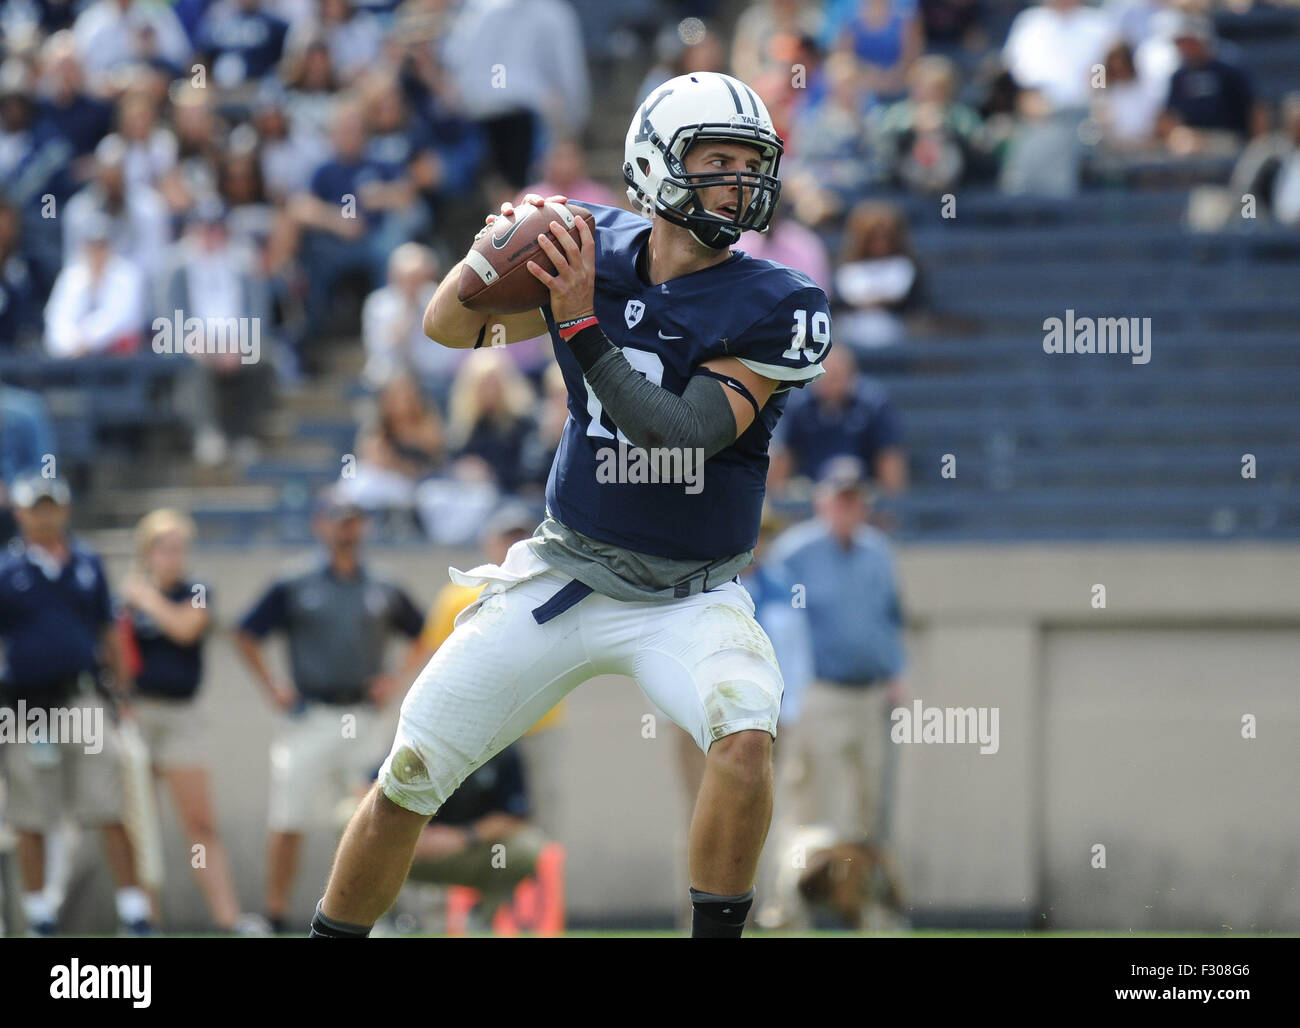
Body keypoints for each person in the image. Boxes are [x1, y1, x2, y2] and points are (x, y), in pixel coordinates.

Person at [312, 71, 832, 940]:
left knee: (744, 737)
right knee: (407, 773)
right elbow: (446, 328)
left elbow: (682, 434)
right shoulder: (585, 246)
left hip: (689, 597)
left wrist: (581, 321)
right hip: (563, 574)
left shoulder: (778, 303)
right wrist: (493, 254)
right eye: (717, 160)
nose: (740, 182)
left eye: (752, 163)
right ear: (655, 164)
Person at [234, 486, 425, 933]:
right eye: (340, 519)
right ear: (321, 524)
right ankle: (276, 915)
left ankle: (378, 918)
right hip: (310, 716)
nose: (348, 528)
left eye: (355, 519)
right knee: (289, 818)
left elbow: (424, 630)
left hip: (363, 716)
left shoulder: (383, 585)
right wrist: (273, 687)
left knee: (376, 817)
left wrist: (394, 678)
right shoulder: (295, 581)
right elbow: (246, 633)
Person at [0, 472, 153, 935]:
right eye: (36, 507)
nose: (45, 516)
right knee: (31, 812)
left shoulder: (87, 563)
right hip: (24, 706)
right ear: (20, 513)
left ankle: (134, 912)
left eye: (52, 506)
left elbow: (109, 631)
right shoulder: (7, 571)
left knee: (108, 801)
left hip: (82, 697)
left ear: (64, 510)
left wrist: (122, 696)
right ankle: (40, 913)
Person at [117, 508, 249, 933]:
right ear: (147, 550)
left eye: (179, 547)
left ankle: (227, 919)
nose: (173, 555)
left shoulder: (195, 590)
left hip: (182, 716)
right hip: (138, 714)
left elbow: (185, 629)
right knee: (139, 825)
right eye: (163, 547)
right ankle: (145, 919)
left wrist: (146, 597)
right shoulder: (124, 601)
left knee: (200, 824)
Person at [766, 457, 905, 849]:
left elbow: (892, 617)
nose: (848, 509)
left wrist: (897, 672)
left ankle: (864, 904)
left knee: (871, 804)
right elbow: (776, 622)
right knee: (810, 801)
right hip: (819, 693)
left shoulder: (878, 552)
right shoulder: (795, 552)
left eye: (855, 500)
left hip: (870, 694)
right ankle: (796, 902)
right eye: (840, 500)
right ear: (821, 502)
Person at [769, 344, 907, 496]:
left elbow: (889, 455)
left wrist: (891, 505)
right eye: (826, 376)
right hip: (811, 489)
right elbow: (784, 455)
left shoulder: (873, 403)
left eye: (838, 376)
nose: (832, 383)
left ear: (852, 374)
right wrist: (778, 499)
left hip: (862, 490)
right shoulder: (799, 404)